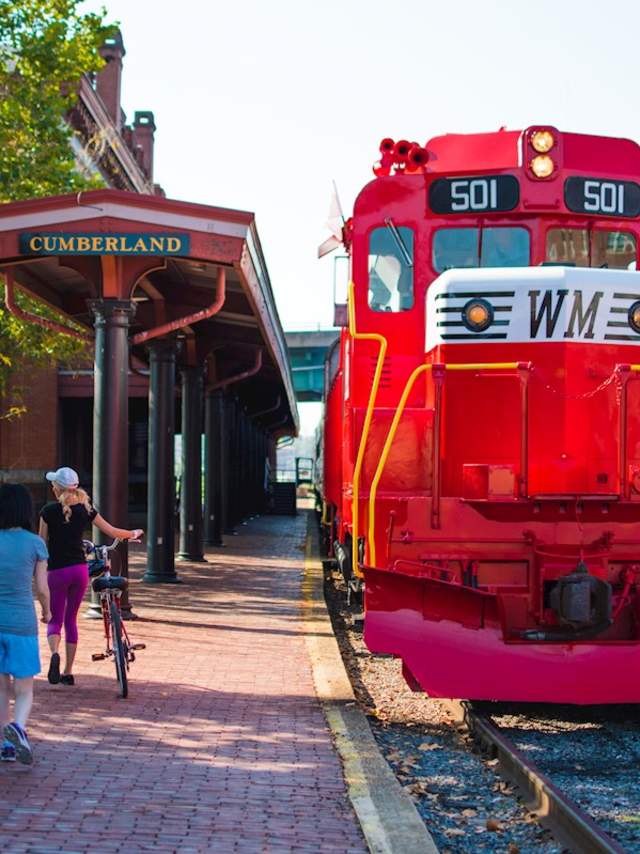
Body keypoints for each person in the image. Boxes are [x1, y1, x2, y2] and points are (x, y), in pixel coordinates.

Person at [38, 467, 142, 686]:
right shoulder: (86, 509)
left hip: (56, 572)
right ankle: (67, 672)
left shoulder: (47, 511)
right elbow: (112, 531)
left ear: (57, 488)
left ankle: (55, 654)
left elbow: (41, 545)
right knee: (71, 620)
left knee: (56, 619)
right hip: (79, 571)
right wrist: (132, 534)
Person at [0, 483, 50, 765]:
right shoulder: (35, 543)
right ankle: (18, 728)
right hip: (21, 623)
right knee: (23, 689)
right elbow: (42, 588)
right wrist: (48, 612)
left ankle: (7, 746)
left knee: (1, 688)